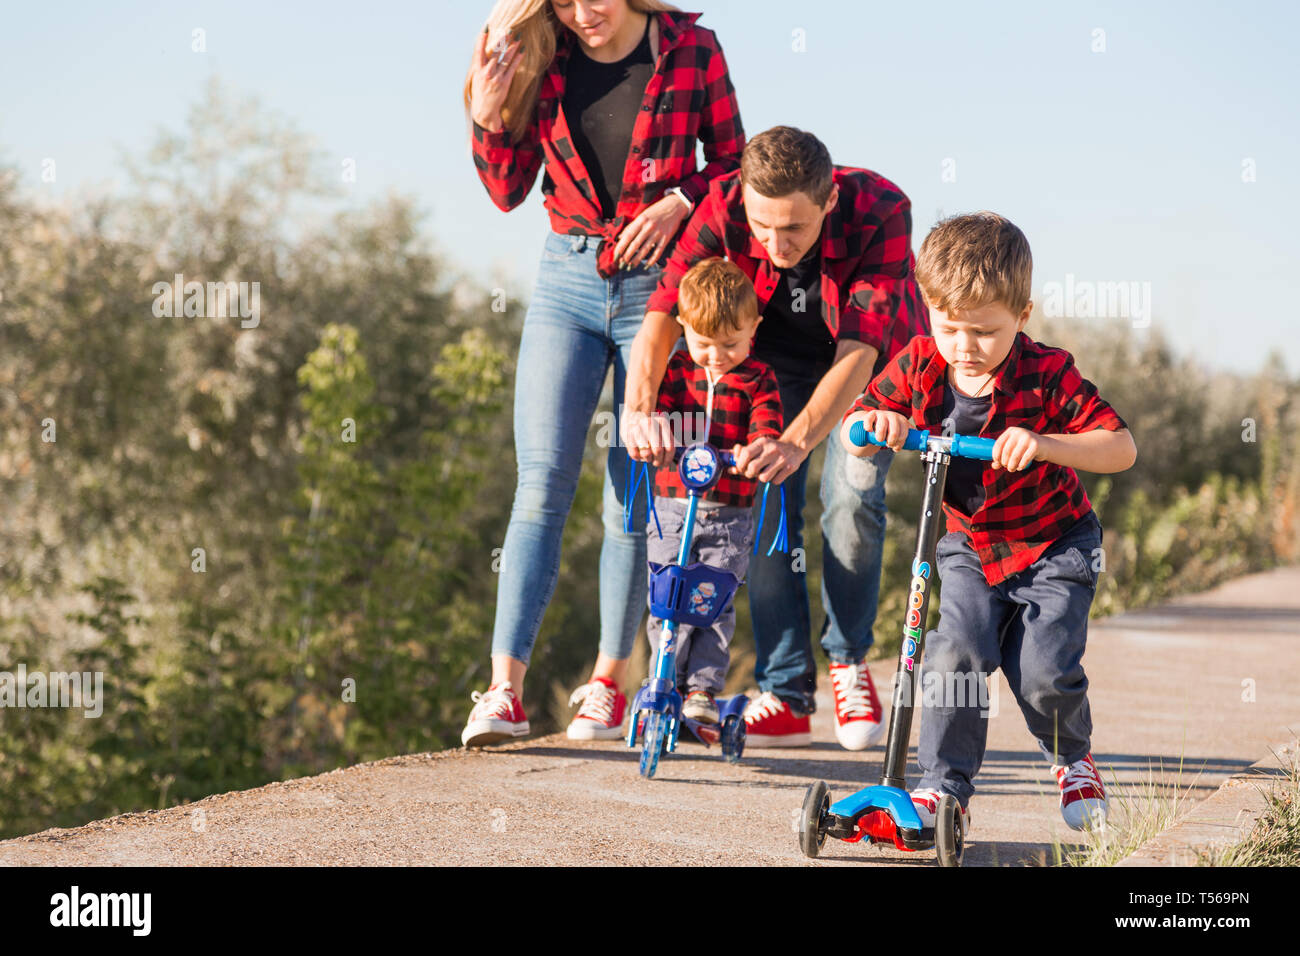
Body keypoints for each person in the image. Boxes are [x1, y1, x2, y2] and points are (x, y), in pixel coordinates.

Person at [460, 0, 746, 747]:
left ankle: (609, 684)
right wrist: (490, 121)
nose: (584, 11)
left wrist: (683, 199)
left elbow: (736, 163)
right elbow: (506, 191)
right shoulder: (542, 53)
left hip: (659, 286)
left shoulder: (692, 48)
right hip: (567, 279)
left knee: (636, 486)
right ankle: (502, 692)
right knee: (541, 483)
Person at [623, 126, 929, 750]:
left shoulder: (882, 209)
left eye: (793, 228)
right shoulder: (725, 207)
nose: (774, 242)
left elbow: (859, 350)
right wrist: (637, 409)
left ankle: (847, 662)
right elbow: (662, 313)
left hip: (866, 366)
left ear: (829, 201)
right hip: (773, 365)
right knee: (757, 503)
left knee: (852, 494)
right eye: (763, 227)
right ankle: (787, 692)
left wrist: (795, 443)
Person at [840, 212, 1137, 832]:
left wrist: (1047, 442)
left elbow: (1120, 447)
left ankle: (1073, 759)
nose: (965, 346)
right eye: (950, 327)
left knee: (1042, 671)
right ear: (927, 312)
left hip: (1055, 545)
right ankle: (941, 790)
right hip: (968, 544)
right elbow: (855, 431)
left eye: (984, 331)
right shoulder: (920, 363)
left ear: (1022, 317)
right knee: (954, 657)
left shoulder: (1048, 372)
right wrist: (878, 427)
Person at [634, 258, 782, 722]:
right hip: (672, 506)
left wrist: (756, 448)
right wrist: (658, 432)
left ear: (753, 328)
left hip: (730, 513)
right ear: (682, 327)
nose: (716, 355)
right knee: (666, 598)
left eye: (730, 344)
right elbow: (660, 413)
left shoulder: (758, 378)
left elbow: (766, 426)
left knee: (712, 602)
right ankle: (664, 678)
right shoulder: (677, 371)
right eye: (703, 343)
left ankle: (701, 688)